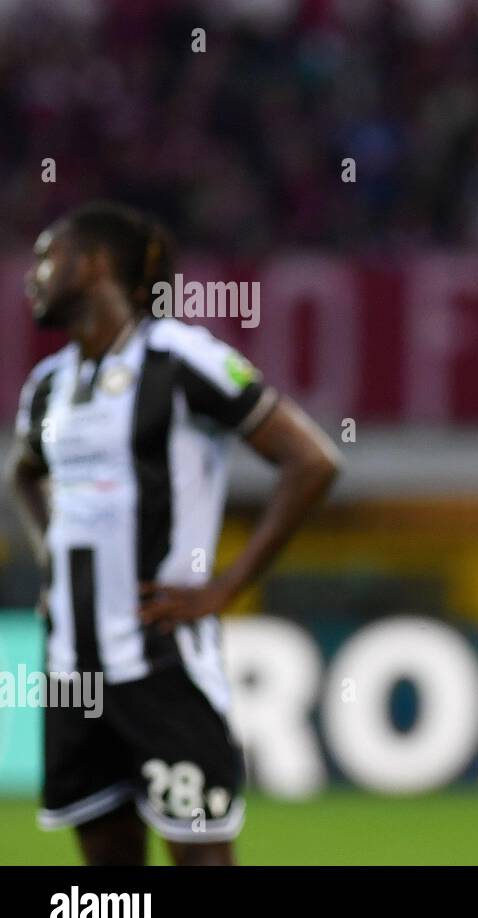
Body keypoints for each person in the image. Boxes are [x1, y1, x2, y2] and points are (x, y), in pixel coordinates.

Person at [6, 201, 342, 865]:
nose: (33, 275)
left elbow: (313, 460)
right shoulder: (47, 386)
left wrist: (227, 586)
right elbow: (23, 475)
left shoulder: (183, 359)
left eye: (49, 257)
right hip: (72, 667)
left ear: (96, 263)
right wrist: (53, 562)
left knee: (200, 855)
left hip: (162, 661)